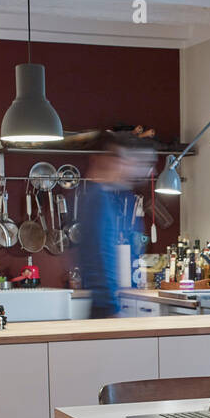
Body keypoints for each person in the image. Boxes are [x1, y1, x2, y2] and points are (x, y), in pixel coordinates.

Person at [76, 131, 151, 318]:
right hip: (104, 307)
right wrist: (111, 308)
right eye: (119, 158)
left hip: (103, 304)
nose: (124, 166)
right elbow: (100, 254)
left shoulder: (102, 196)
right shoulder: (98, 198)